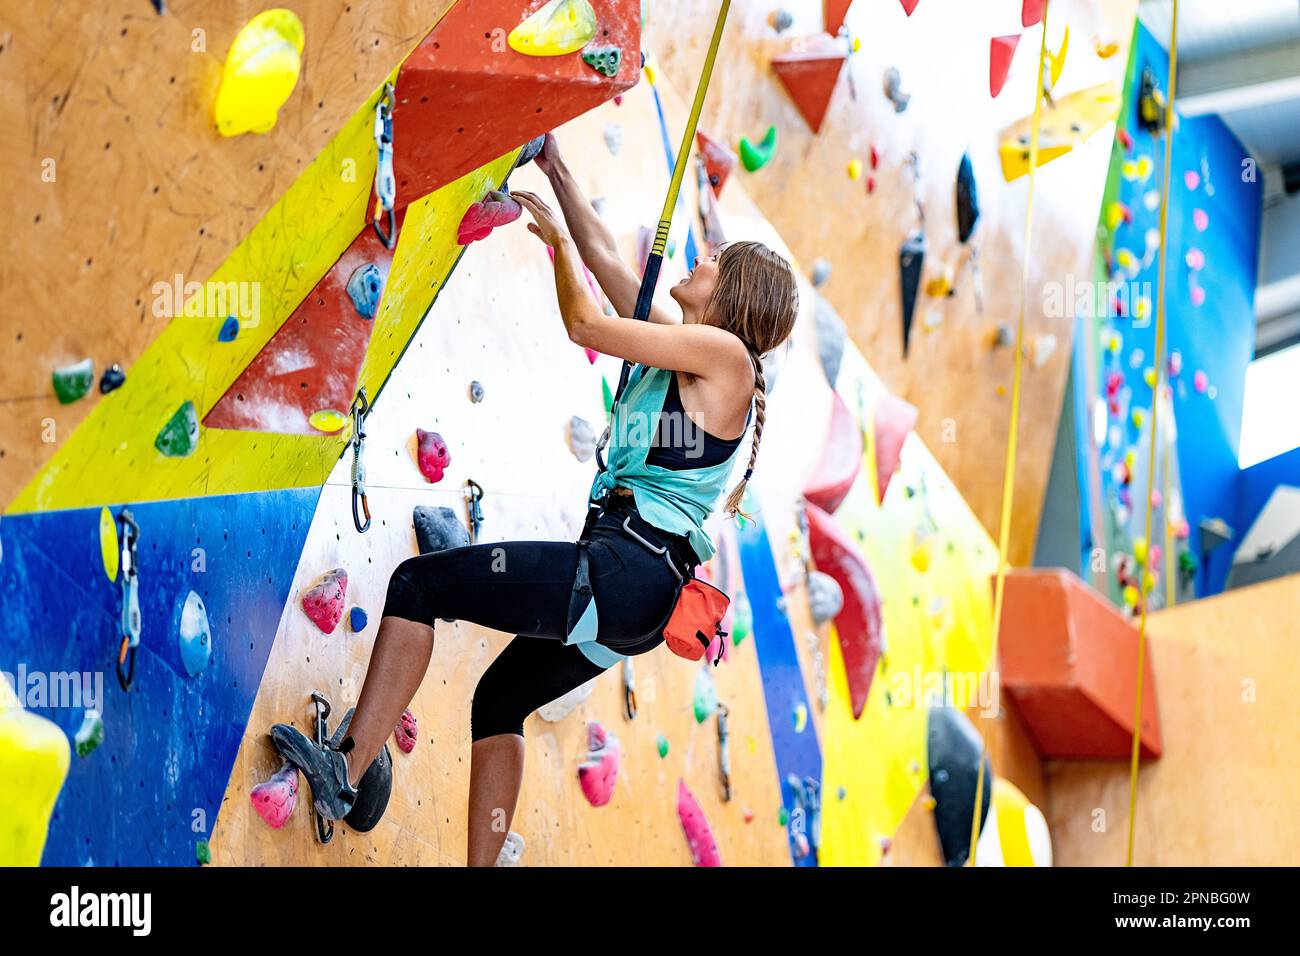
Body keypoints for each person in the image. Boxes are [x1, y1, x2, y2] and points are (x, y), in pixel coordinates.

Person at [271, 134, 798, 865]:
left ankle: (346, 769)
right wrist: (555, 166)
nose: (700, 259)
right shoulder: (692, 359)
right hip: (637, 597)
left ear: (734, 297)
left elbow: (585, 324)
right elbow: (613, 269)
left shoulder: (727, 358)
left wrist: (551, 242)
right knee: (500, 701)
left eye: (716, 261)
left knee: (418, 586)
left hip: (624, 571)